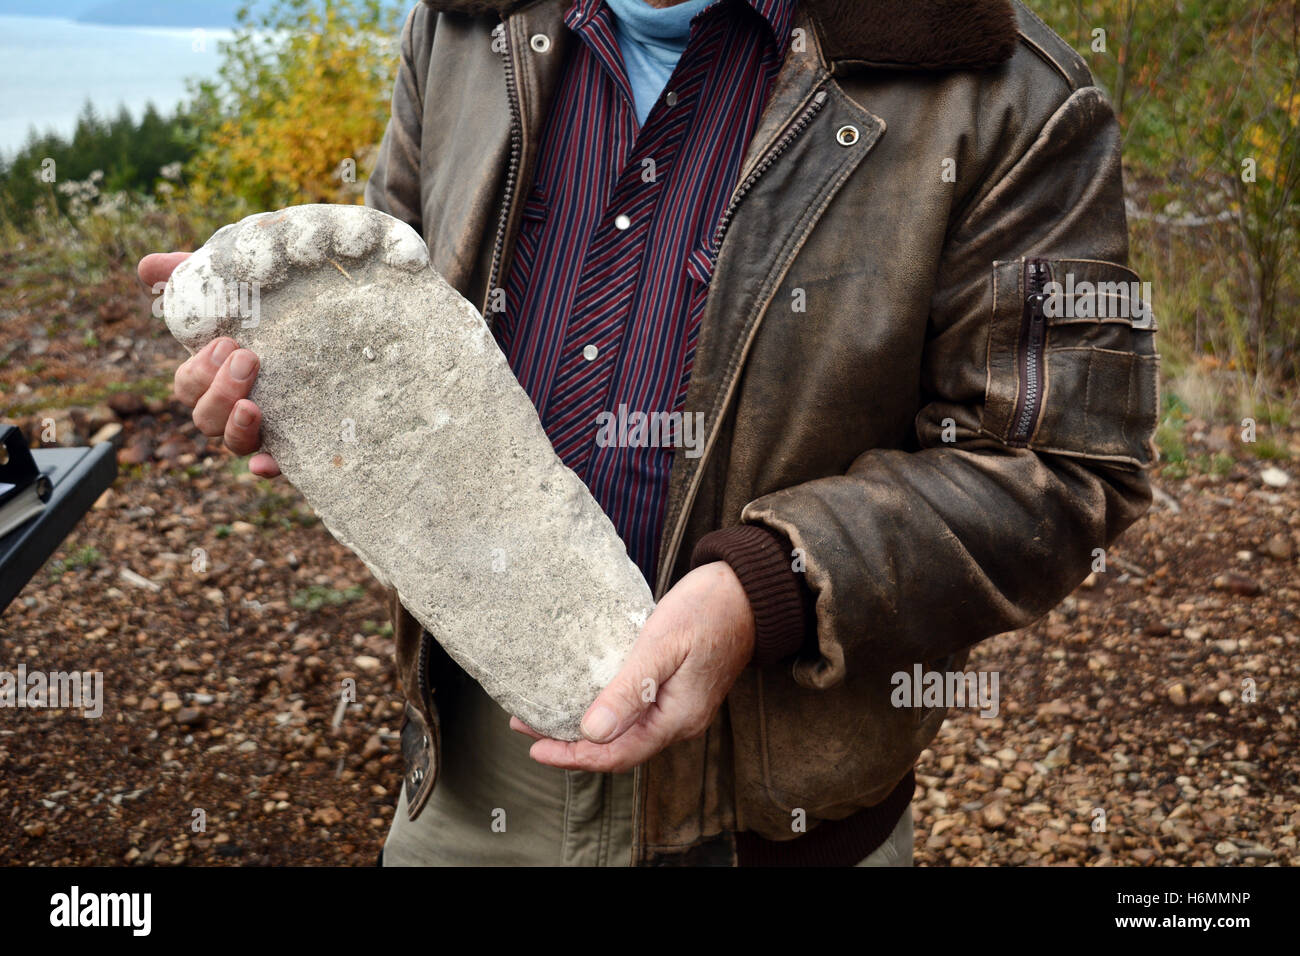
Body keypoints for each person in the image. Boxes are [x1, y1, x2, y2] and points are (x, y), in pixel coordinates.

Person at [138, 0, 1157, 866]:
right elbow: (402, 324)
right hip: (471, 783)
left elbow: (1058, 468)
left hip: (771, 814)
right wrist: (305, 382)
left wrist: (765, 589)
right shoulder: (460, 28)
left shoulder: (997, 86)